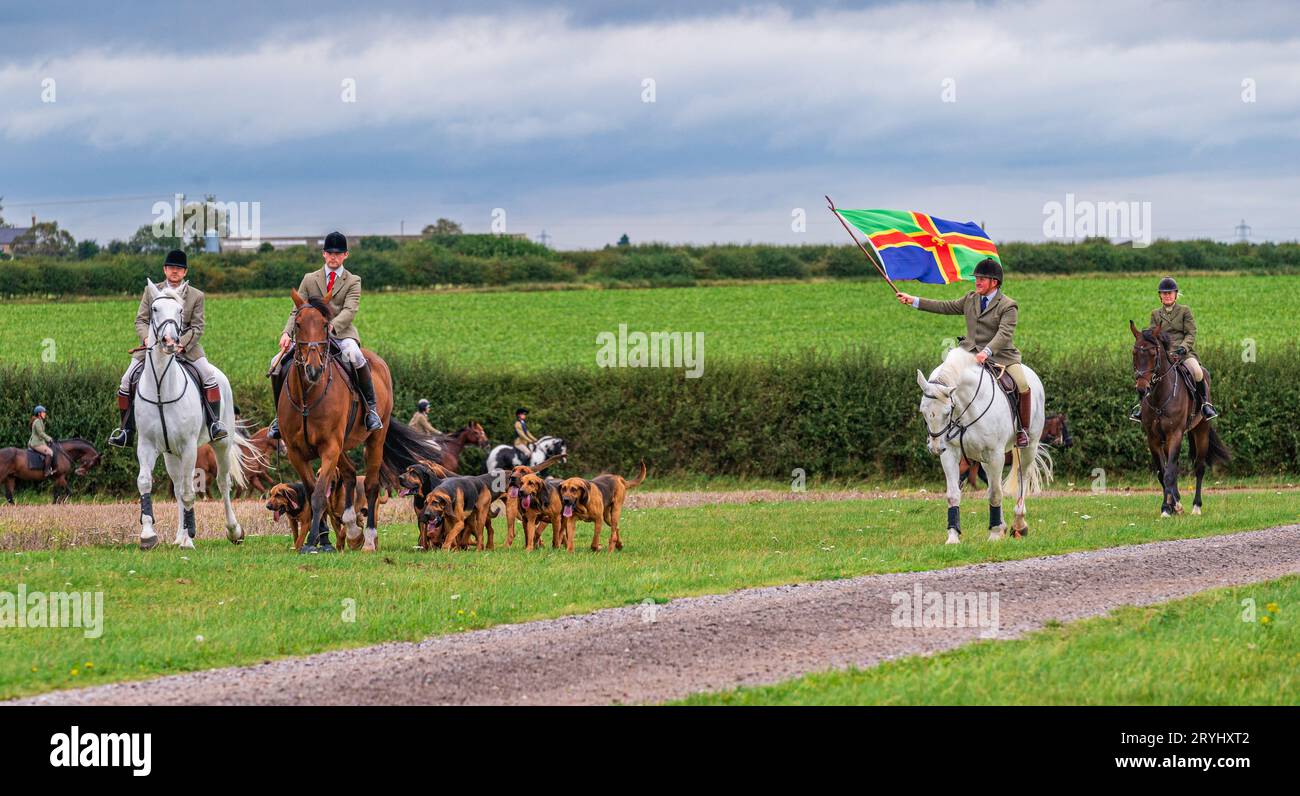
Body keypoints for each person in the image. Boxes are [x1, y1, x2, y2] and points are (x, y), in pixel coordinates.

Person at [896, 257, 1033, 447]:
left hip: (1001, 356)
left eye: (982, 278)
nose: (977, 281)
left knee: (1023, 383)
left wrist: (987, 351)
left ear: (994, 282)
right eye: (976, 277)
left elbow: (1004, 333)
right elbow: (944, 306)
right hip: (968, 353)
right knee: (943, 375)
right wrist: (914, 301)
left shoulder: (1008, 305)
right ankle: (947, 425)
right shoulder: (970, 298)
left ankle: (1022, 431)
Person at [267, 231, 383, 438]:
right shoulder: (310, 279)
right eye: (330, 253)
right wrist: (286, 332)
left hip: (340, 333)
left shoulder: (353, 280)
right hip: (309, 335)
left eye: (338, 254)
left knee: (356, 356)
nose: (333, 257)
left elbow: (350, 310)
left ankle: (371, 410)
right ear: (323, 254)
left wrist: (331, 326)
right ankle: (278, 417)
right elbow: (297, 309)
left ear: (346, 255)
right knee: (276, 363)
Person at [108, 249, 227, 447]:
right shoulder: (152, 291)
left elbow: (198, 327)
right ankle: (126, 430)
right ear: (165, 269)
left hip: (186, 348)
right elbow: (141, 320)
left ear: (185, 272)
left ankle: (214, 424)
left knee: (209, 376)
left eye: (179, 269)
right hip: (153, 347)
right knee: (126, 380)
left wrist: (182, 344)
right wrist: (147, 338)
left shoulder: (196, 295)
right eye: (172, 268)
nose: (175, 271)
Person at [1130, 277, 1218, 421]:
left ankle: (1205, 405)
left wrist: (1183, 348)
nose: (1167, 296)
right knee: (1146, 376)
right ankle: (1140, 407)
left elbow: (1191, 333)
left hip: (1183, 353)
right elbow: (1153, 335)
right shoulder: (1155, 314)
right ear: (1160, 296)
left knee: (1197, 371)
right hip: (1163, 354)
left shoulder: (1185, 311)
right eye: (1164, 293)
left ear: (1176, 294)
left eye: (1170, 293)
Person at [28, 406, 56, 477]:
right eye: (43, 412)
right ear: (39, 413)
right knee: (50, 452)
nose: (45, 414)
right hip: (36, 443)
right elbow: (40, 433)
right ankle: (46, 471)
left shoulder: (40, 421)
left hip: (39, 442)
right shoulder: (37, 421)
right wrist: (49, 439)